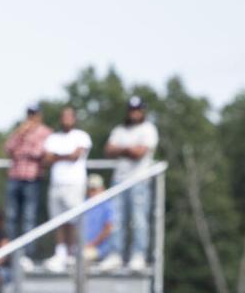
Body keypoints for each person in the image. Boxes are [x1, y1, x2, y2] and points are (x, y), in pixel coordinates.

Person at [104, 95, 160, 272]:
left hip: (139, 180)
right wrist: (129, 149)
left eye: (137, 110)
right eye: (131, 110)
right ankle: (115, 255)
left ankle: (138, 255)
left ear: (142, 111)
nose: (134, 113)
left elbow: (139, 153)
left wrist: (122, 149)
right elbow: (108, 150)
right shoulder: (120, 129)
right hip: (119, 180)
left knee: (138, 220)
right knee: (116, 219)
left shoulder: (148, 129)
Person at [42, 106, 92, 272]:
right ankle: (61, 252)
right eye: (64, 116)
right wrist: (64, 155)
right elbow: (47, 159)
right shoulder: (53, 138)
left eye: (69, 116)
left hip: (74, 183)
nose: (66, 119)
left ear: (75, 118)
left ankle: (73, 252)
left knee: (74, 219)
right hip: (56, 183)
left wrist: (57, 156)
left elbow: (75, 156)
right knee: (58, 220)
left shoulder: (81, 136)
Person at [4, 104, 51, 239]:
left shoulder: (45, 132)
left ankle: (28, 250)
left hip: (32, 178)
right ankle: (10, 248)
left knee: (29, 217)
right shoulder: (19, 131)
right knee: (11, 215)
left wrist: (23, 151)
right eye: (29, 114)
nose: (31, 117)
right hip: (15, 176)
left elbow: (38, 152)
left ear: (39, 116)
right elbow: (8, 148)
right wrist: (20, 133)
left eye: (34, 114)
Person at [83, 174, 119, 271]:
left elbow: (108, 228)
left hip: (100, 249)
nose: (92, 192)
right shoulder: (84, 204)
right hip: (85, 247)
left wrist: (91, 244)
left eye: (95, 189)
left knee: (83, 256)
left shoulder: (108, 205)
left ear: (102, 189)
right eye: (90, 189)